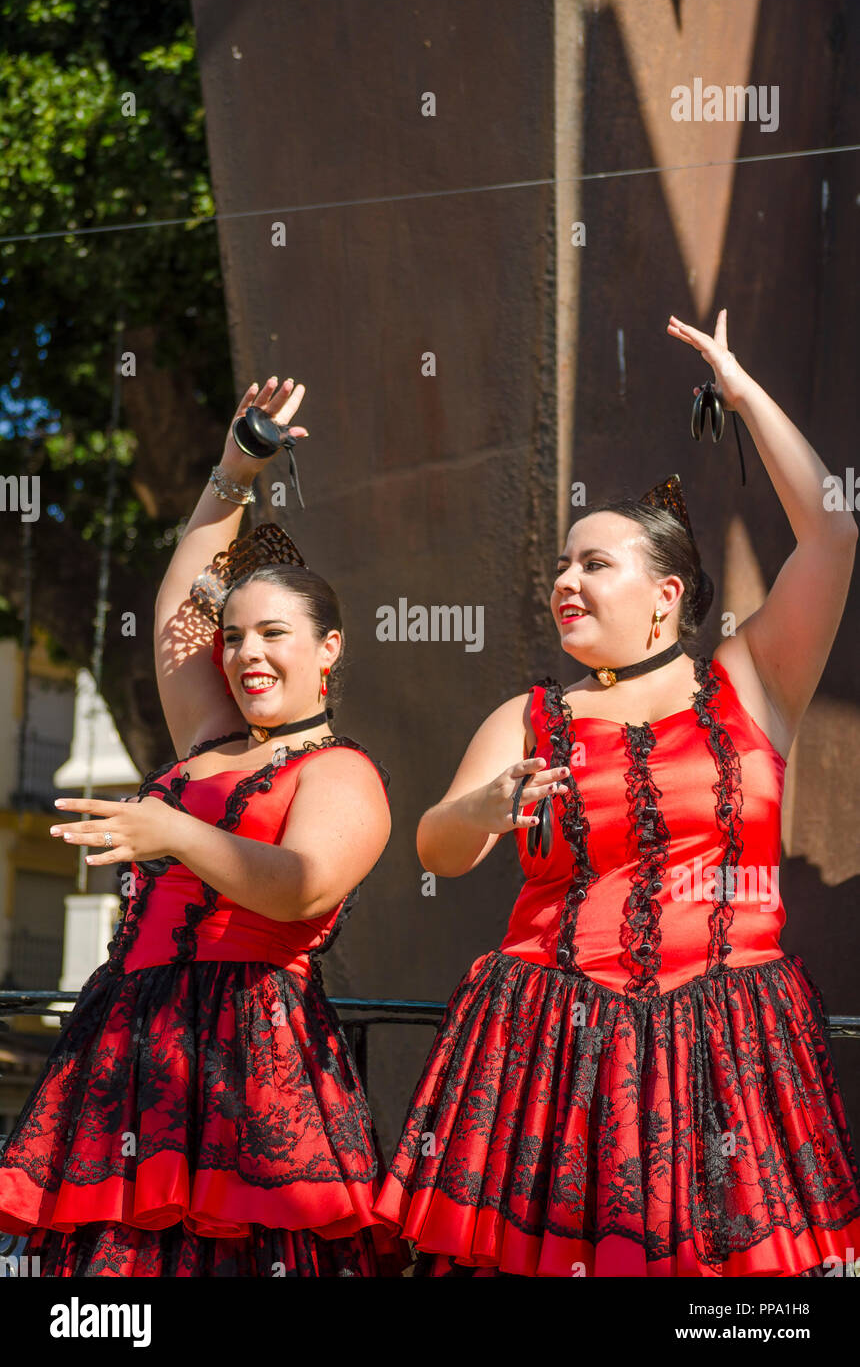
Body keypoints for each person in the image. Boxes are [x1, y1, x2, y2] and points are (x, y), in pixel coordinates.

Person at [373, 310, 860, 1277]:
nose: (565, 580)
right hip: (552, 1039)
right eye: (559, 563)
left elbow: (834, 533)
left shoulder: (750, 682)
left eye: (594, 562)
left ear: (668, 594)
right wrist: (481, 809)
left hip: (726, 1033)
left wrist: (742, 391)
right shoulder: (531, 715)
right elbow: (435, 846)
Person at [0, 375, 407, 1277]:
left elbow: (303, 883)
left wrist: (175, 835)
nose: (245, 654)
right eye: (232, 637)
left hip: (249, 1049)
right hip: (130, 1037)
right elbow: (181, 597)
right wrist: (235, 468)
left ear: (328, 647)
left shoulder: (341, 771)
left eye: (272, 635)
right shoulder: (209, 738)